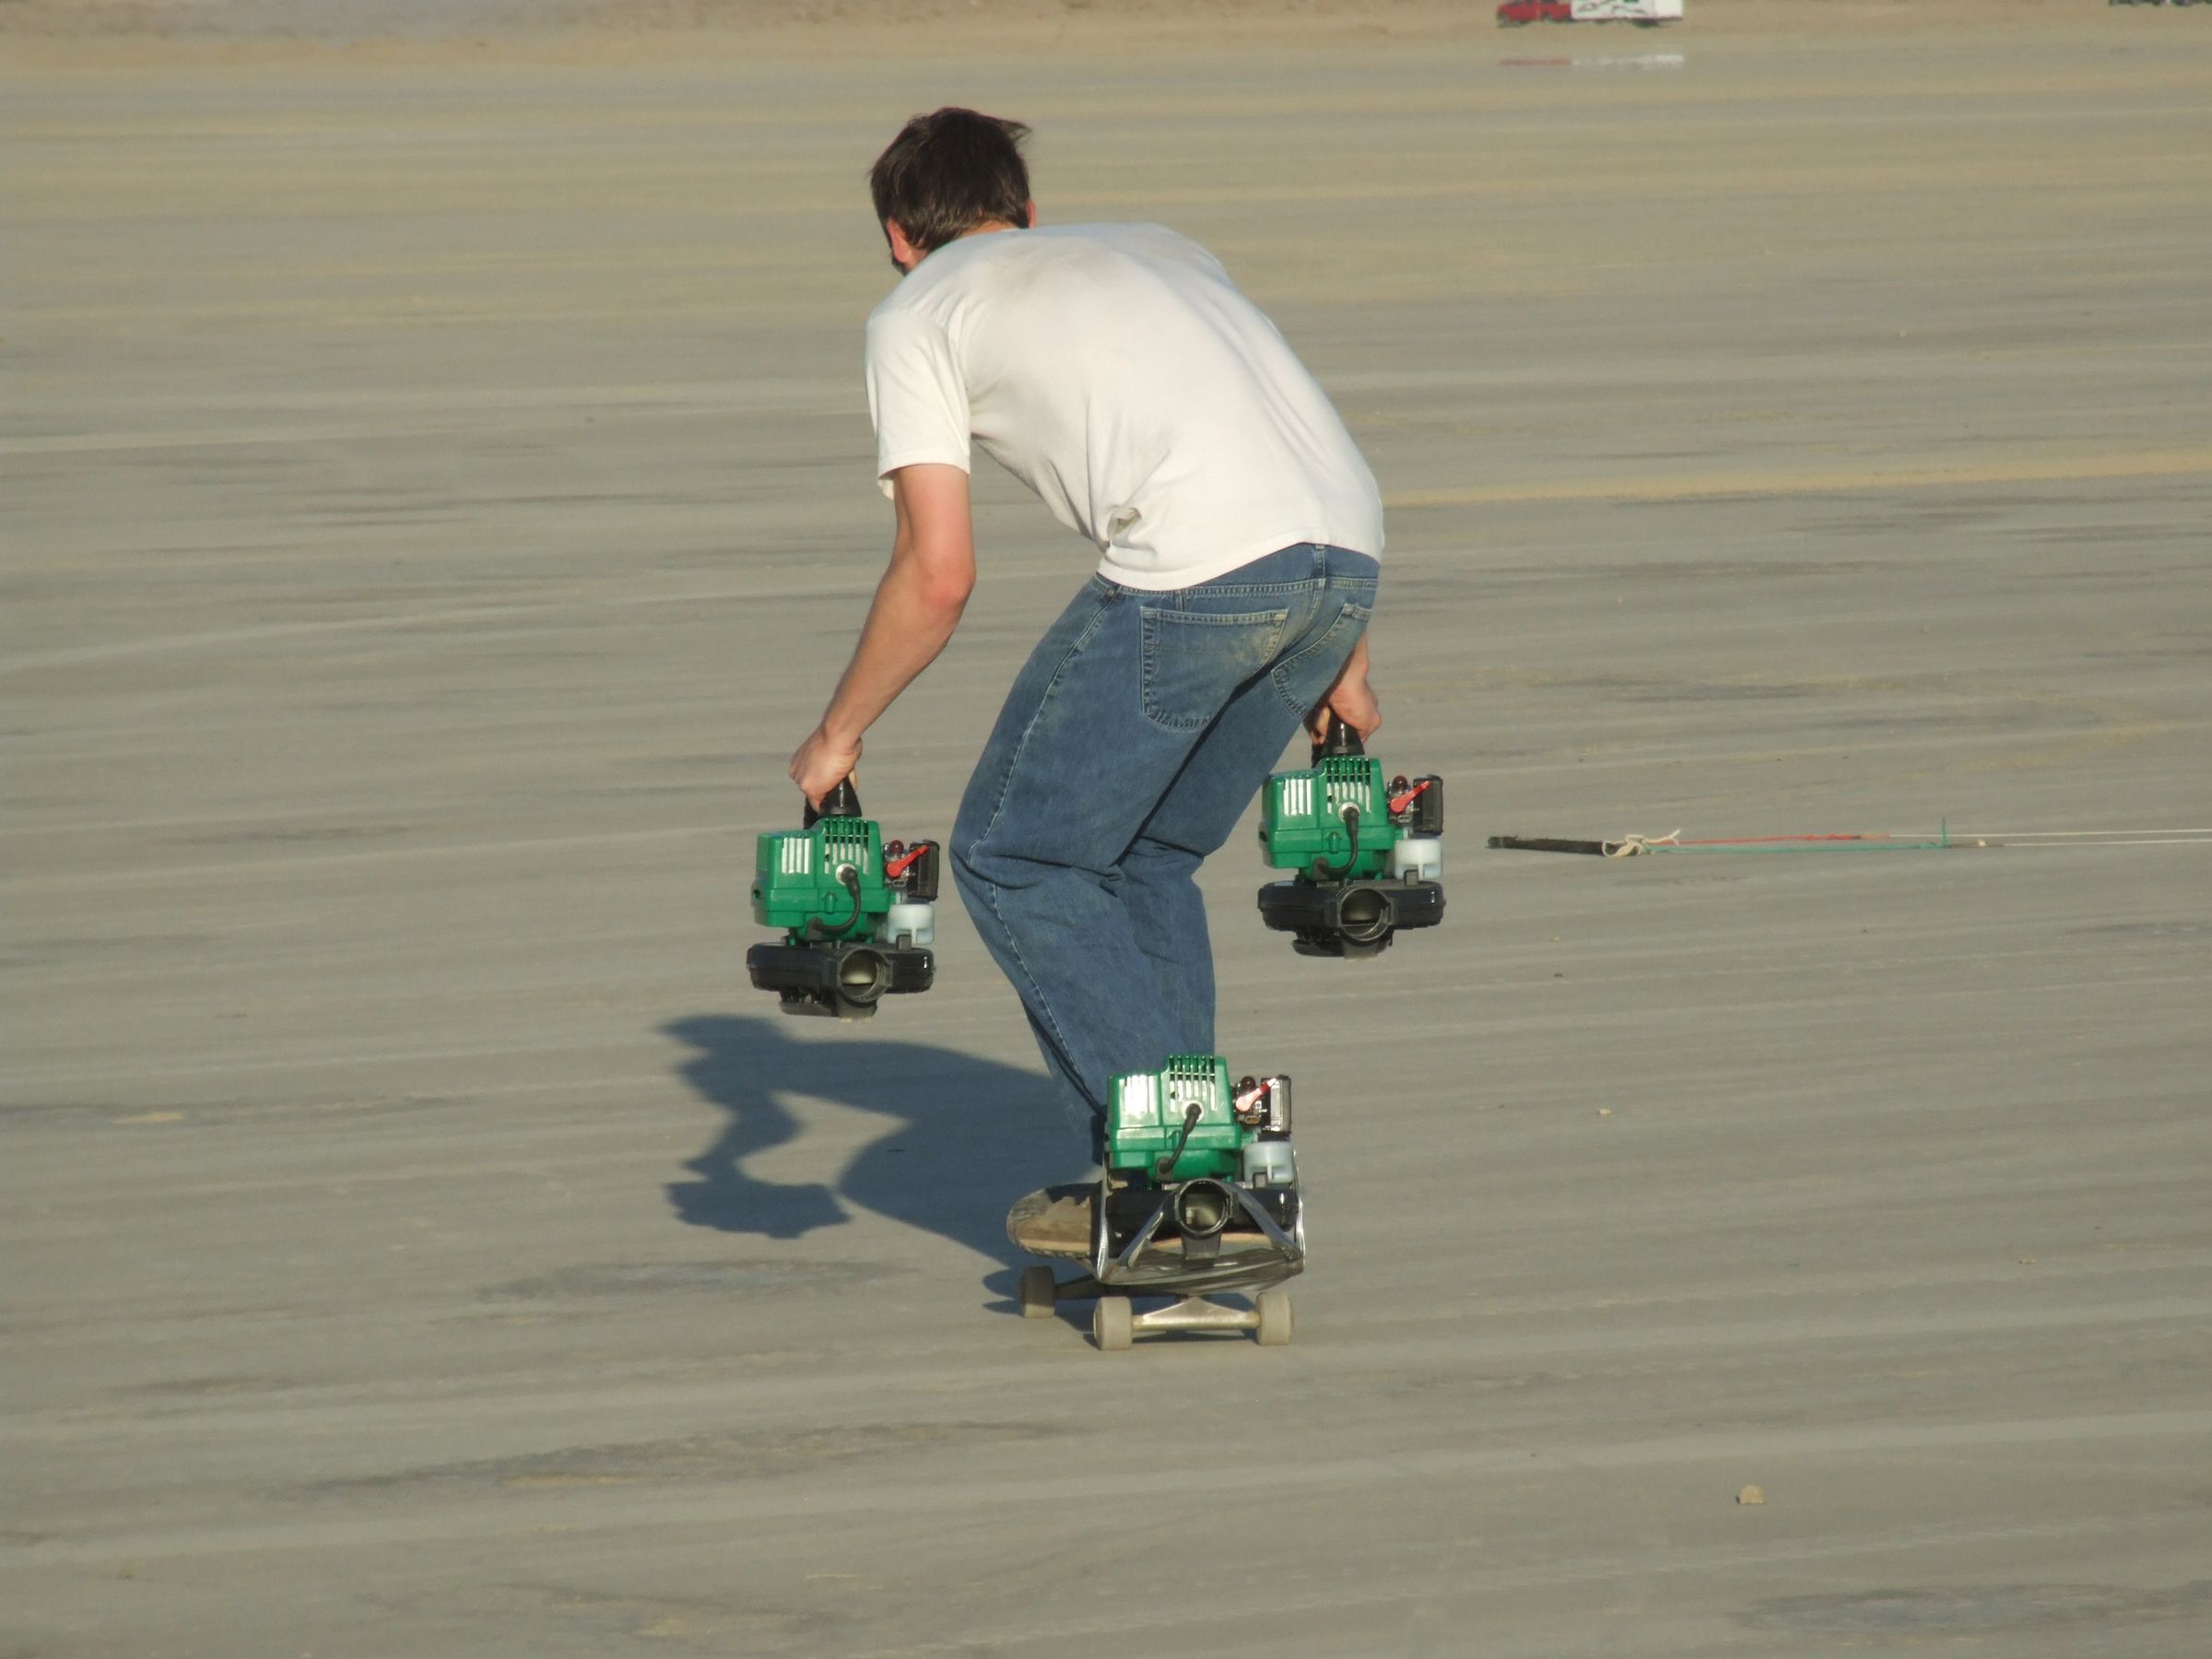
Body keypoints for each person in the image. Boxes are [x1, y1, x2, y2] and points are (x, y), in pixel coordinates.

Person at [786, 107, 1384, 1249]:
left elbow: (939, 572)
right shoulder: (1163, 245)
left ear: (901, 239)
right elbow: (1281, 439)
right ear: (1023, 212)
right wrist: (1344, 655)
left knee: (1015, 857)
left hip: (1208, 564)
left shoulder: (917, 308)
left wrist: (839, 734)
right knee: (1146, 861)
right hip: (1342, 551)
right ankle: (1153, 1183)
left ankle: (1187, 1171)